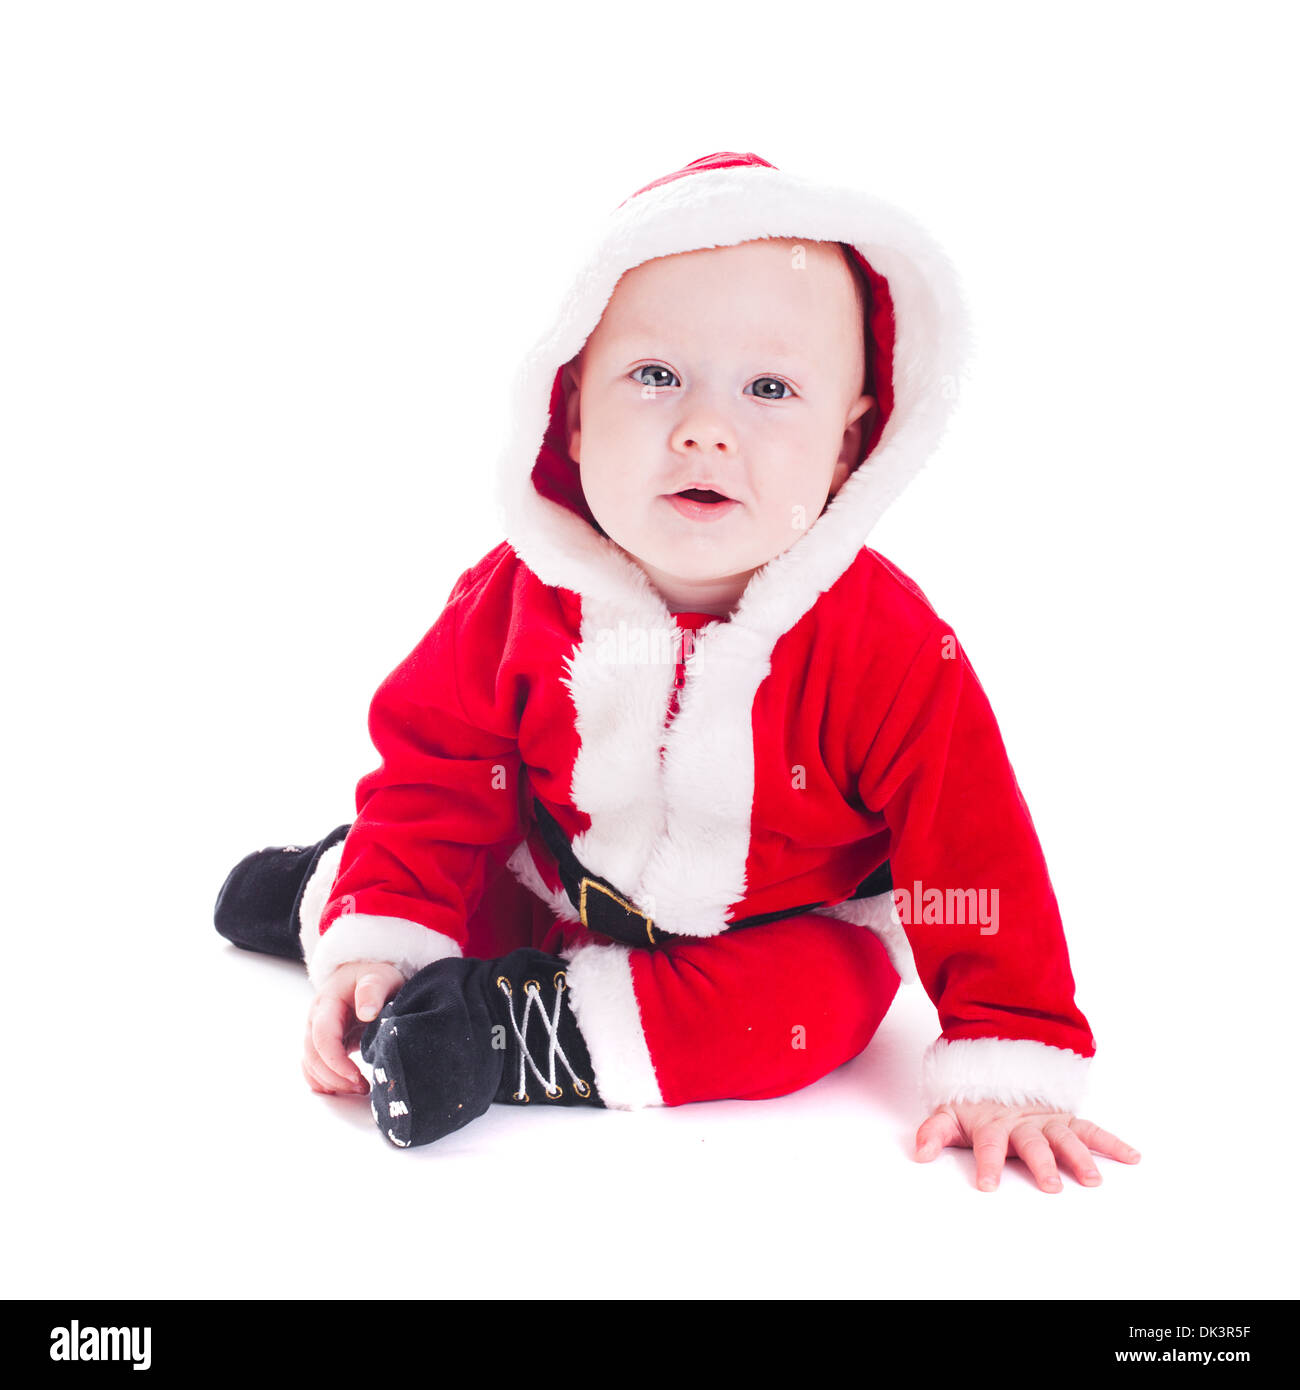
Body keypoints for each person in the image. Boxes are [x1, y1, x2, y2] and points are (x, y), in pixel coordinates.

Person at [215, 151, 1140, 1190]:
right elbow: (436, 772)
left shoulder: (884, 643)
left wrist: (1011, 1046)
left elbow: (970, 846)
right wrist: (385, 932)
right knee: (434, 881)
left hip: (778, 929)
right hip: (559, 878)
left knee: (801, 1016)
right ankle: (343, 907)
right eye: (655, 376)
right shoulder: (515, 598)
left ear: (849, 447)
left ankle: (506, 1034)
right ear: (567, 413)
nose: (705, 427)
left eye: (769, 388)